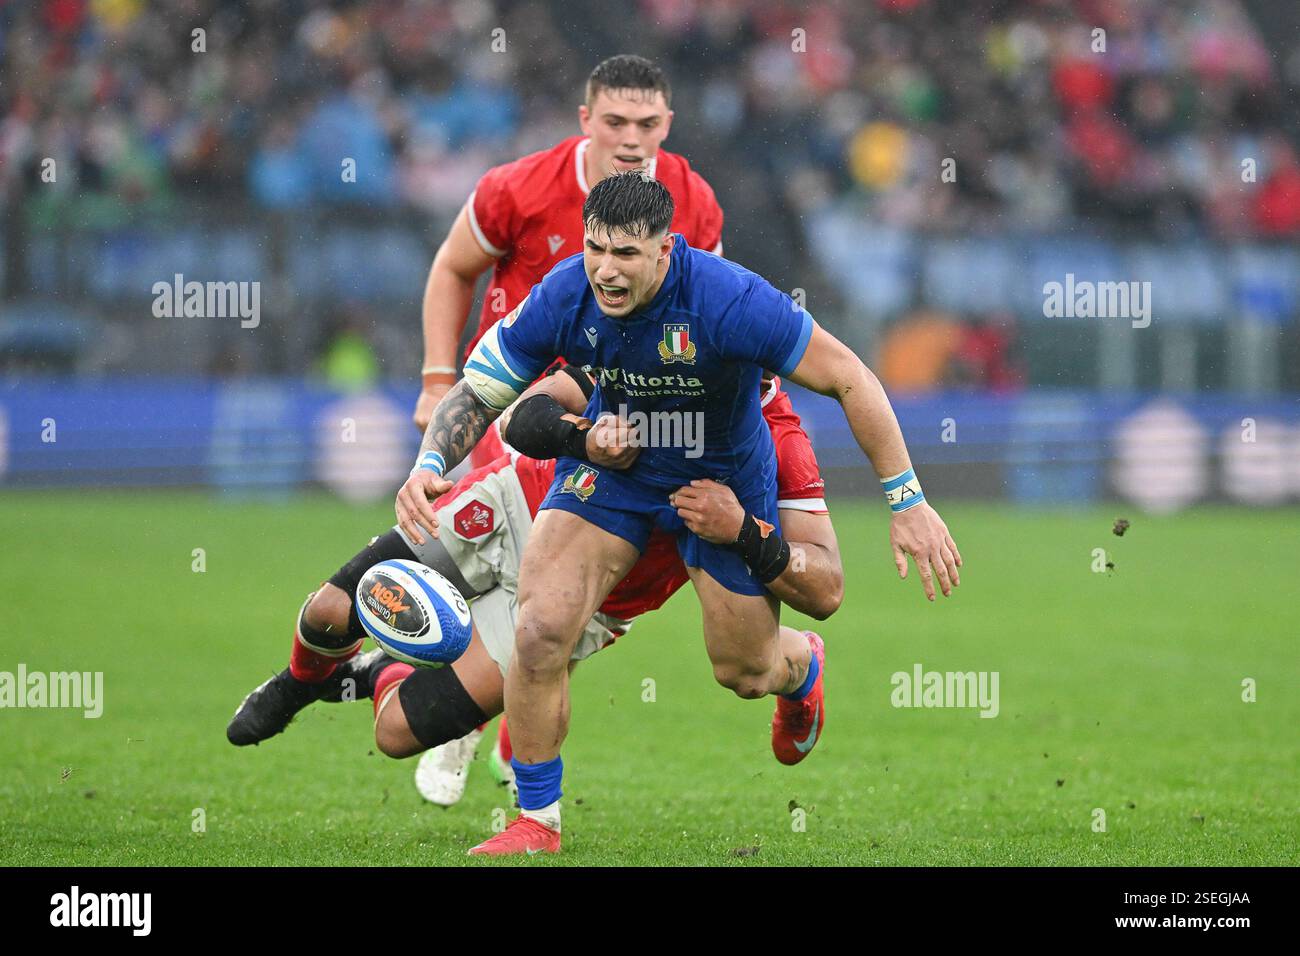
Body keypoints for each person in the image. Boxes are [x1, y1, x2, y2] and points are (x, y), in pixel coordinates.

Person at [395, 170, 963, 855]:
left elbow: (849, 376)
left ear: (667, 249)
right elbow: (482, 390)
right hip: (615, 472)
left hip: (720, 483)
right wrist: (430, 465)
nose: (606, 269)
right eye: (596, 248)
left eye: (627, 254)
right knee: (541, 628)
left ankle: (800, 668)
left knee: (743, 671)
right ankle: (536, 822)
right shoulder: (569, 290)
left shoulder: (729, 299)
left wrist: (908, 502)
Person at [225, 368, 843, 805]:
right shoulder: (656, 347)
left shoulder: (779, 443)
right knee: (332, 611)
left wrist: (743, 531)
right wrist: (583, 436)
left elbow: (825, 585)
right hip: (514, 502)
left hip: (589, 598)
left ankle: (801, 666)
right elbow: (531, 410)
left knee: (393, 732)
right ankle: (298, 684)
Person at [411, 53, 724, 472]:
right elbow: (454, 267)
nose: (631, 139)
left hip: (626, 404)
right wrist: (435, 382)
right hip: (519, 396)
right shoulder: (518, 188)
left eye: (647, 125)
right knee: (527, 521)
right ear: (585, 119)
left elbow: (705, 311)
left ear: (666, 124)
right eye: (615, 123)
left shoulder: (694, 198)